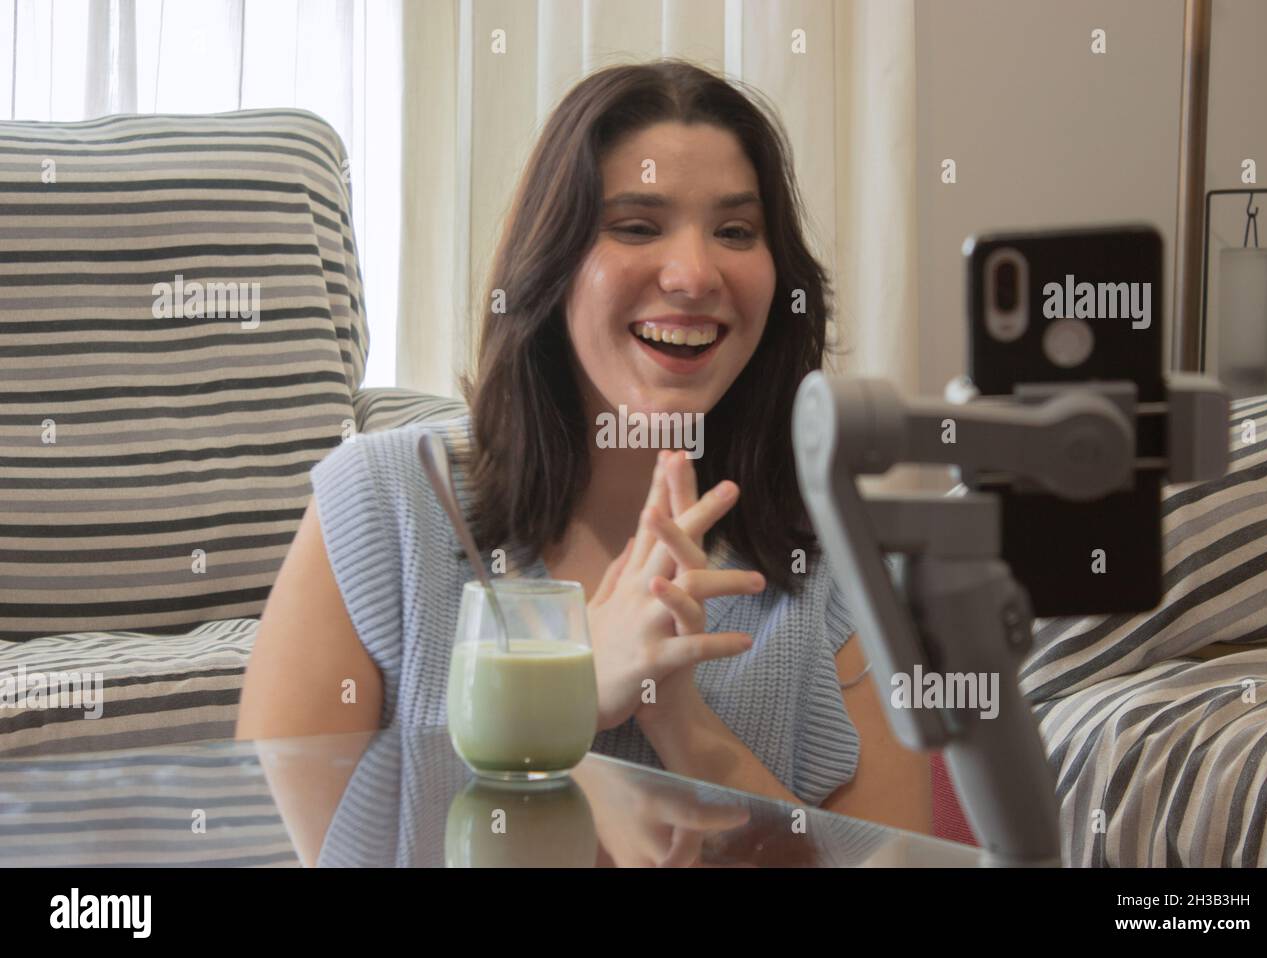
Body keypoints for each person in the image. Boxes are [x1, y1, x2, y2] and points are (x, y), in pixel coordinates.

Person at [236, 58, 932, 837]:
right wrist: (559, 714)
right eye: (637, 225)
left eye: (736, 231)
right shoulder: (380, 506)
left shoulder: (835, 559)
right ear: (552, 262)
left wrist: (685, 730)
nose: (696, 273)